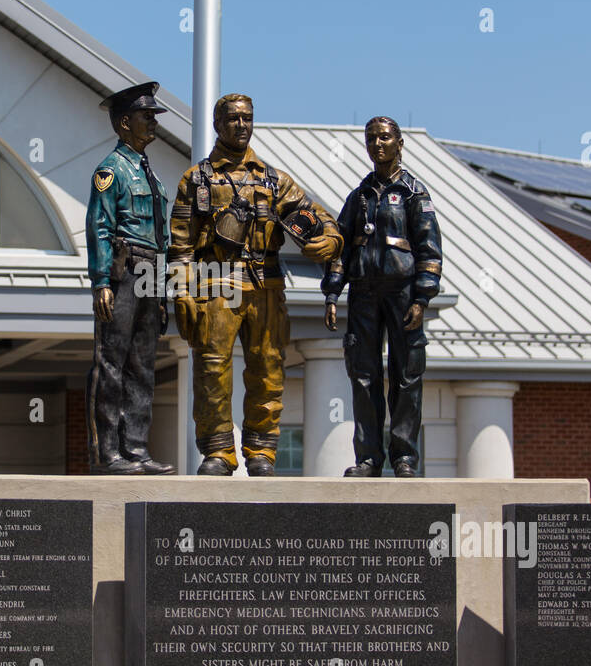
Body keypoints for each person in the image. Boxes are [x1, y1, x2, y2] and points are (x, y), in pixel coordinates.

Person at [170, 93, 343, 476]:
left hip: (266, 289)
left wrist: (330, 240)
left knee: (267, 370)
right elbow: (180, 244)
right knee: (212, 371)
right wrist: (182, 291)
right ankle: (218, 452)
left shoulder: (274, 180)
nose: (242, 125)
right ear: (218, 123)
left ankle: (261, 452)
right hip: (216, 287)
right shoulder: (196, 179)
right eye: (233, 118)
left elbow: (316, 218)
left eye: (247, 118)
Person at [322, 116, 443, 477]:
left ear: (399, 143)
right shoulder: (358, 197)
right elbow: (340, 246)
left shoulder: (413, 193)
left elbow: (429, 250)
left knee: (407, 376)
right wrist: (331, 293)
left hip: (402, 293)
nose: (378, 144)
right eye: (371, 138)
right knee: (363, 376)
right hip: (363, 294)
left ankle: (404, 456)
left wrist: (422, 299)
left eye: (385, 138)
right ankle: (369, 457)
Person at [85, 82, 175, 475]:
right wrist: (101, 281)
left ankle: (137, 449)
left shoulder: (150, 174)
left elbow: (162, 235)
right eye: (146, 115)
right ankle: (109, 452)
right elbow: (100, 227)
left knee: (143, 364)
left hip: (152, 272)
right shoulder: (111, 171)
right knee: (112, 362)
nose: (153, 122)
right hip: (124, 272)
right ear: (125, 123)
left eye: (154, 115)